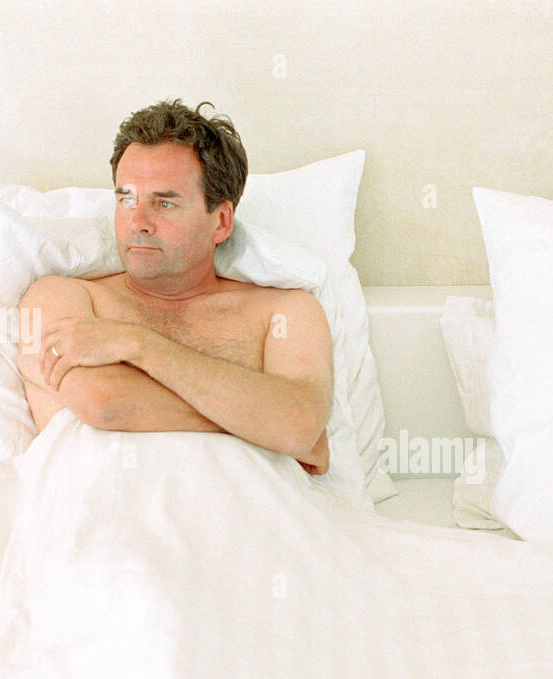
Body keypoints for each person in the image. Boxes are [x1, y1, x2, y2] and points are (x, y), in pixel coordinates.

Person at [17, 99, 331, 474]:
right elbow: (105, 402)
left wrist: (136, 344)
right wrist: (268, 427)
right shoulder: (59, 297)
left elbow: (296, 421)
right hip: (101, 518)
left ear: (221, 222)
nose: (138, 221)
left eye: (164, 204)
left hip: (247, 523)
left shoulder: (284, 312)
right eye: (126, 199)